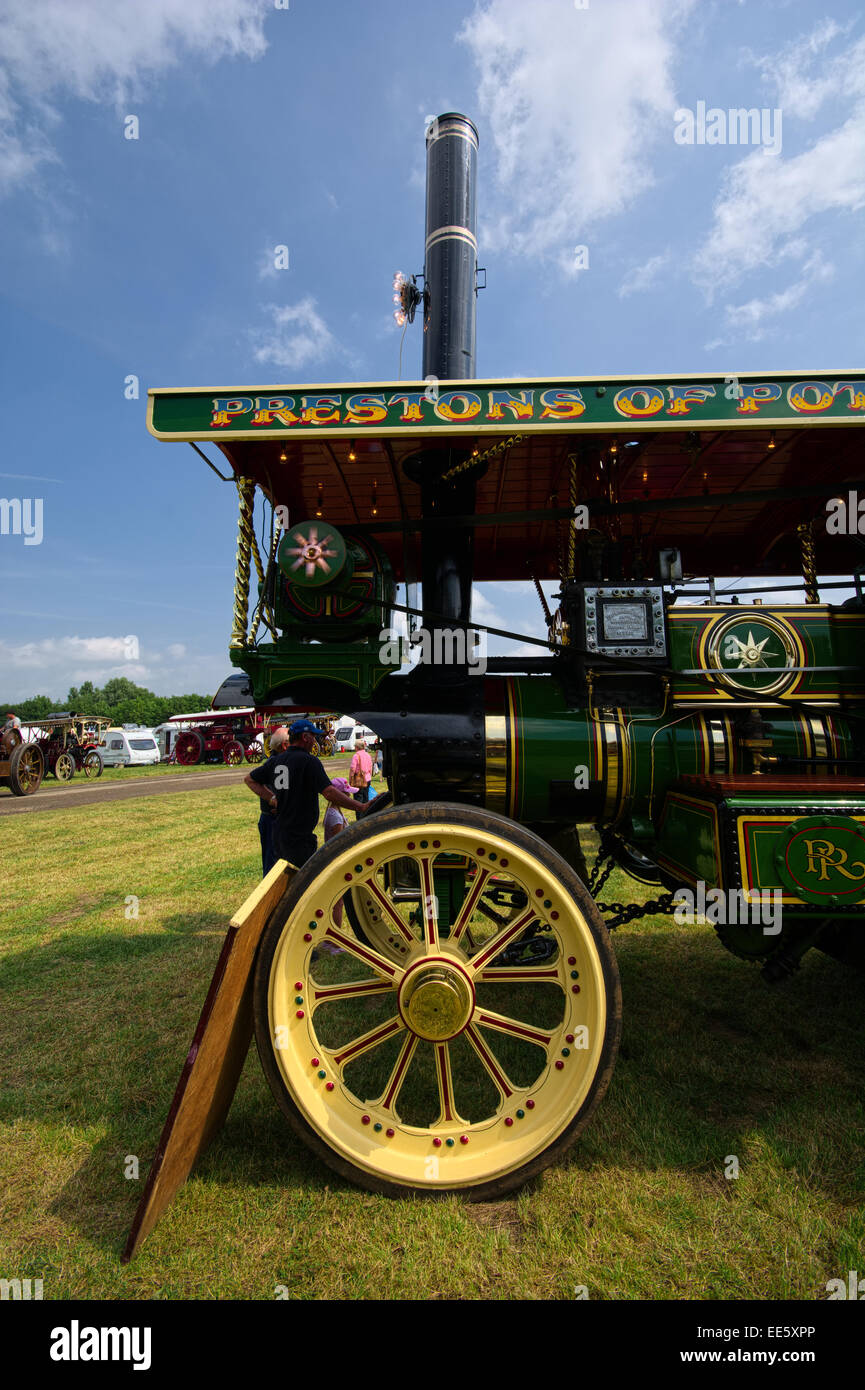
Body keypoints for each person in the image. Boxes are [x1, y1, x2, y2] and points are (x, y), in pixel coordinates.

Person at [245, 718, 361, 870]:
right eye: (313, 736)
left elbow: (250, 780)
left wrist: (273, 798)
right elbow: (329, 792)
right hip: (299, 837)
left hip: (280, 833)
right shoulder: (309, 761)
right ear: (305, 737)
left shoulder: (277, 760)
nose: (315, 741)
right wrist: (361, 806)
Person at [253, 725, 288, 877]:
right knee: (273, 864)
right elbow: (251, 780)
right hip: (272, 819)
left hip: (275, 818)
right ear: (284, 745)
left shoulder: (279, 761)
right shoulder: (276, 763)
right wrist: (273, 799)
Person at [349, 738, 374, 804]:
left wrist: (351, 779)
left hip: (358, 780)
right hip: (367, 779)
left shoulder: (356, 756)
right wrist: (369, 777)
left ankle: (360, 814)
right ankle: (366, 814)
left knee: (358, 800)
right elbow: (370, 767)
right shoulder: (368, 755)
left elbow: (352, 770)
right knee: (366, 798)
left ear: (357, 747)